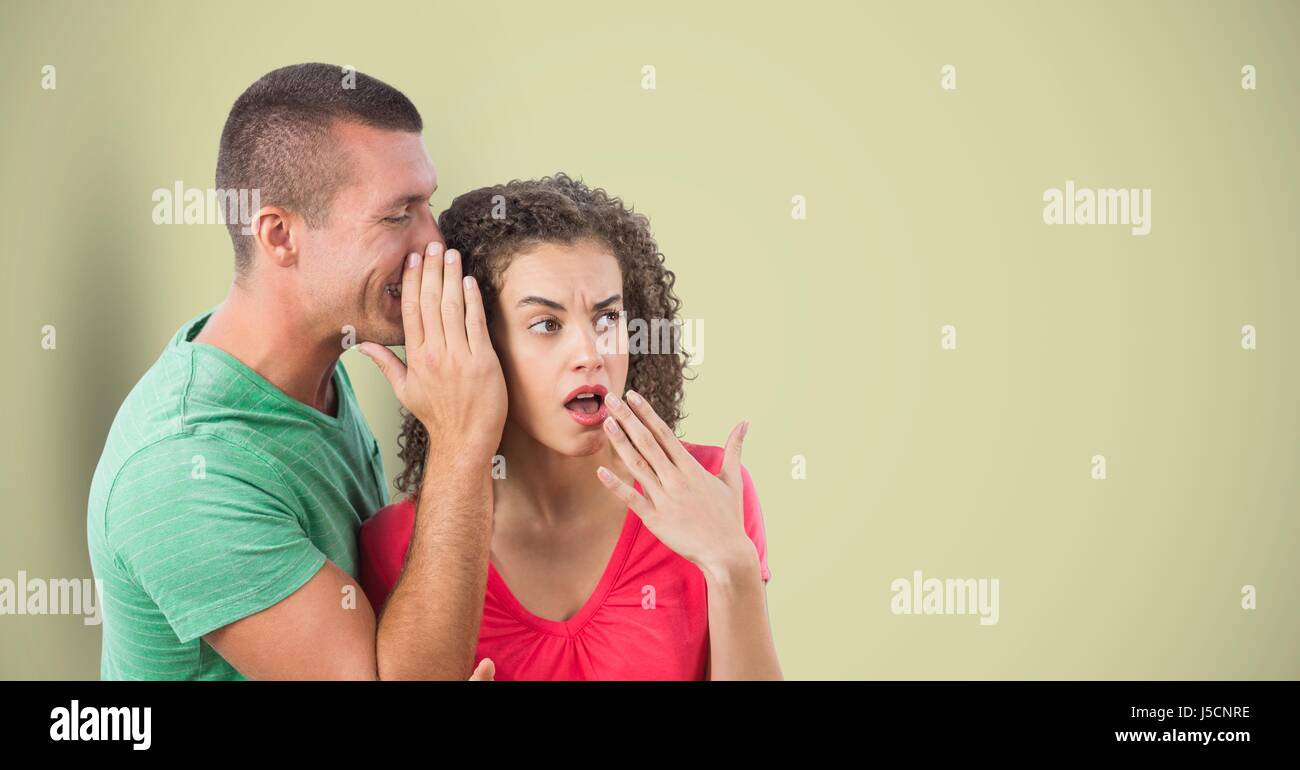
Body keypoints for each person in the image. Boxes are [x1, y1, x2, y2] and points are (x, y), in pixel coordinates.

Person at [86, 63, 504, 680]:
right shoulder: (181, 470)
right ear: (280, 235)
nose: (434, 242)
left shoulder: (319, 364)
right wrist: (463, 443)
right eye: (398, 214)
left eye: (428, 204)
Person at [359, 174, 782, 680]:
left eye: (607, 319)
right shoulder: (395, 545)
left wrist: (733, 566)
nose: (591, 354)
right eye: (546, 325)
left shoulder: (711, 491)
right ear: (477, 343)